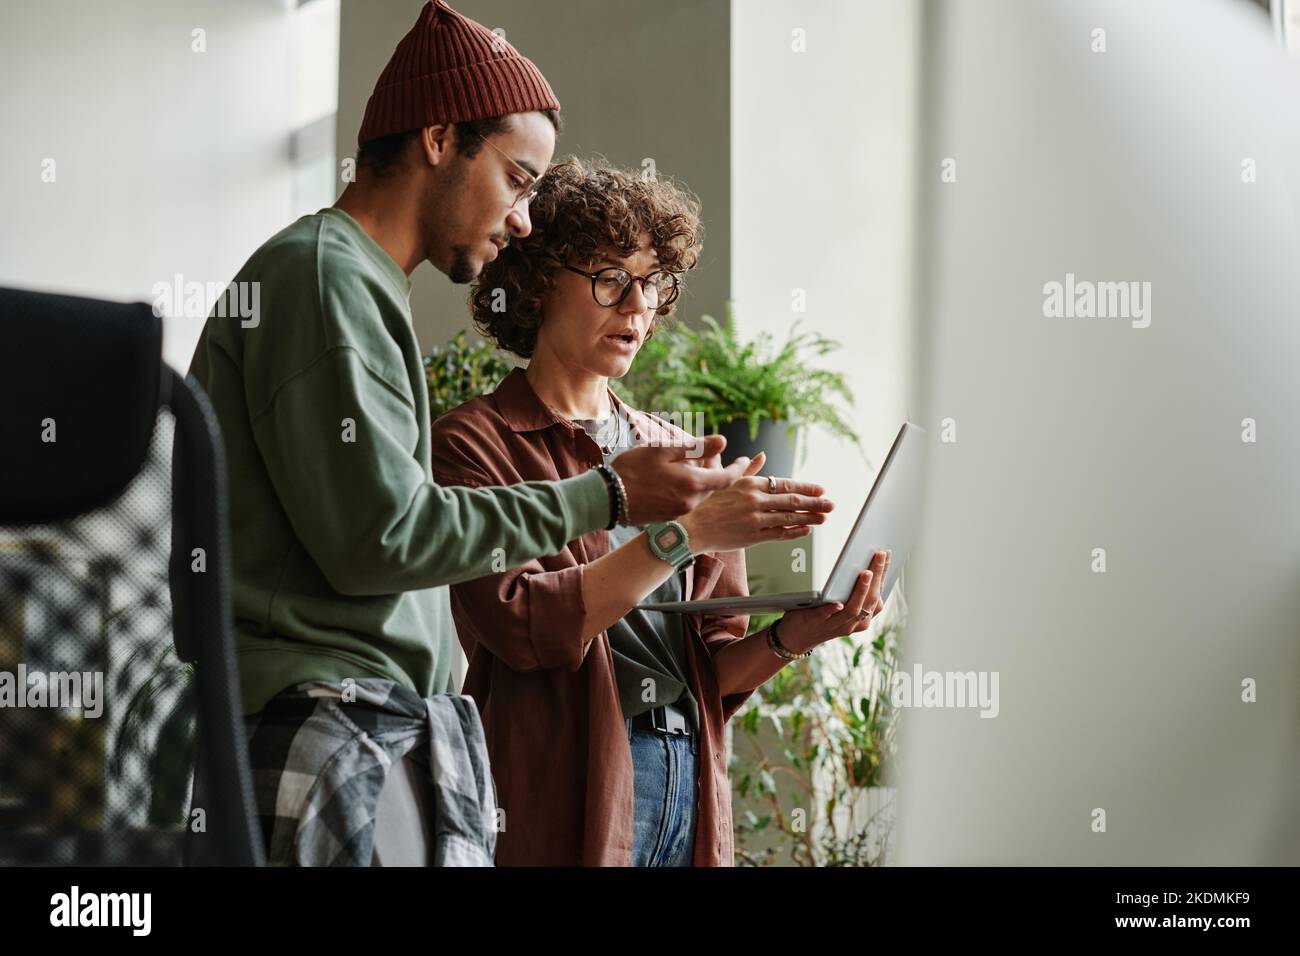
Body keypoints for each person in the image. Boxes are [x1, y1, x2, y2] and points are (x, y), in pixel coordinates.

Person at [186, 1, 750, 866]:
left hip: (364, 724)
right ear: (440, 139)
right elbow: (383, 539)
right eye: (520, 178)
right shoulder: (323, 278)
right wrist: (612, 493)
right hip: (324, 725)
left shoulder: (356, 286)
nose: (525, 218)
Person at [428, 159, 890, 865]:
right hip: (562, 782)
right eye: (611, 278)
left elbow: (710, 671)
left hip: (686, 774)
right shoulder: (475, 441)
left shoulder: (676, 450)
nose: (638, 308)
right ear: (538, 280)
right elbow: (520, 627)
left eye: (653, 283)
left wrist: (797, 635)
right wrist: (686, 535)